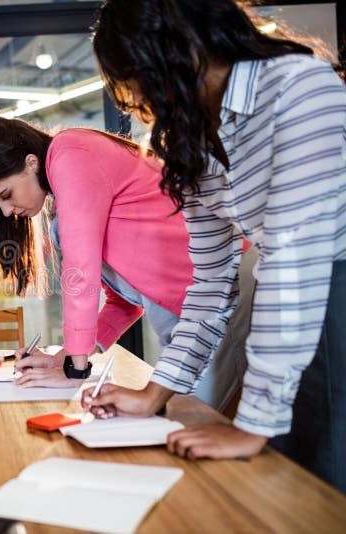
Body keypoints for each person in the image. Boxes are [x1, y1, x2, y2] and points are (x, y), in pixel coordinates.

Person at [89, 0, 346, 491]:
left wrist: (254, 423)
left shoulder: (299, 88)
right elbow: (210, 284)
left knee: (324, 477)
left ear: (176, 50)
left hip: (331, 282)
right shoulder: (194, 137)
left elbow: (295, 260)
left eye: (135, 81)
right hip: (296, 297)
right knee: (288, 478)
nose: (137, 103)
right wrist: (155, 392)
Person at [0, 117, 253, 410]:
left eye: (6, 195)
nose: (7, 210)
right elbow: (124, 303)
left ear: (30, 163)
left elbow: (80, 273)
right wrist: (69, 356)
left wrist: (76, 371)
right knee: (186, 426)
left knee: (190, 424)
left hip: (227, 291)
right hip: (199, 315)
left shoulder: (68, 154)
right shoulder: (71, 191)